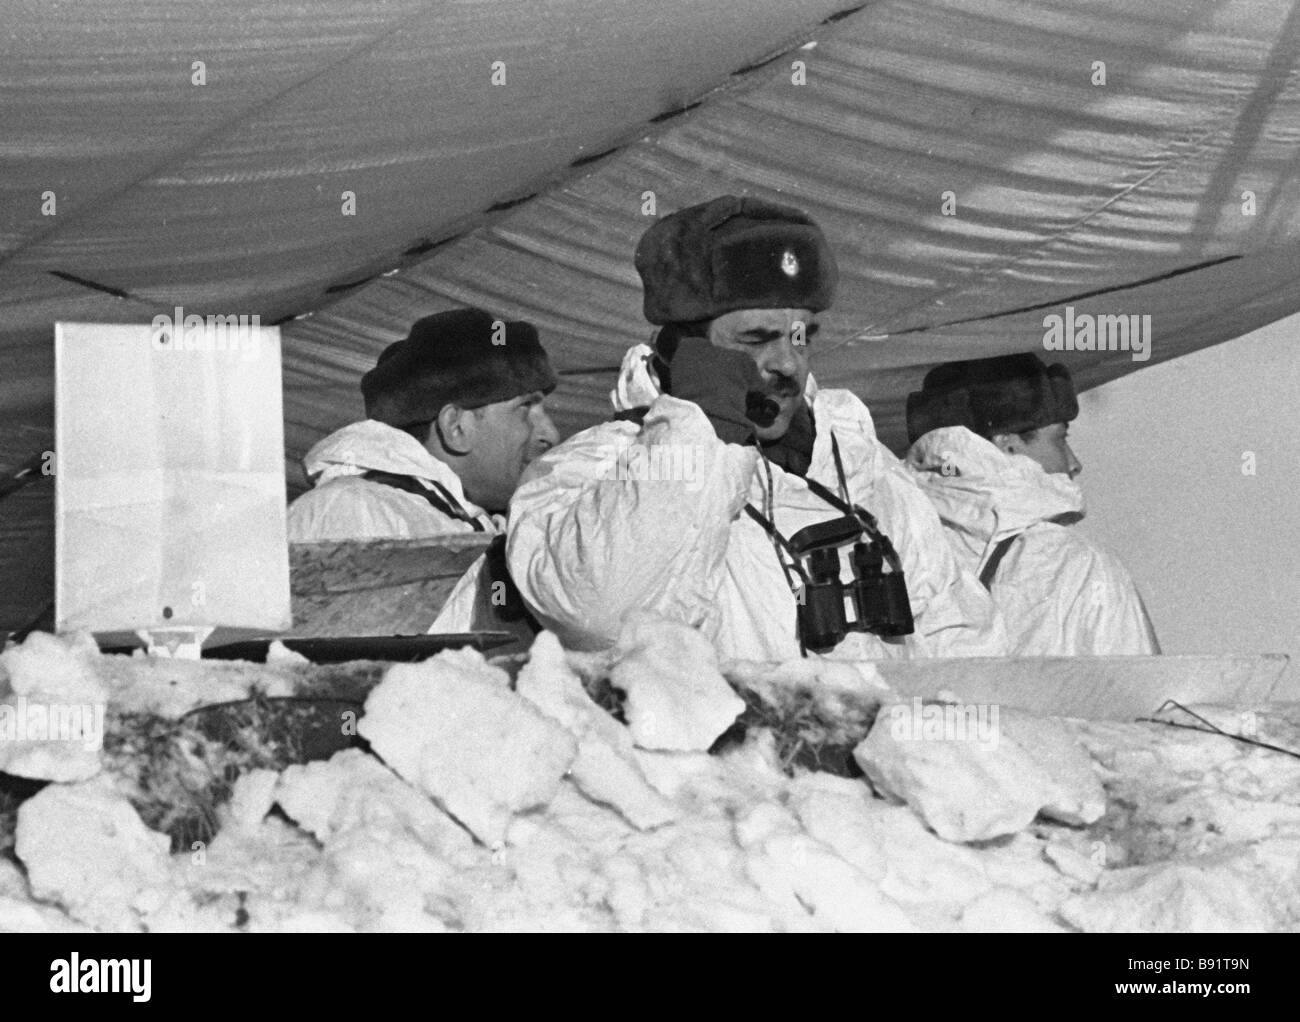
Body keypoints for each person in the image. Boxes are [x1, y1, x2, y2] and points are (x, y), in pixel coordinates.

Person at [506, 195, 1008, 660]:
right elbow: (603, 621)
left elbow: (961, 635)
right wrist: (699, 428)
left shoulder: (857, 463)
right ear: (683, 350)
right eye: (757, 339)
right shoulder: (586, 472)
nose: (789, 365)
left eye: (801, 337)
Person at [904, 352, 1159, 655]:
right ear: (1008, 446)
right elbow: (1141, 695)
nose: (1074, 463)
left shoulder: (892, 546)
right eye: (1060, 439)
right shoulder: (1078, 565)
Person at [287, 307, 559, 542]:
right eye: (526, 407)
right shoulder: (354, 514)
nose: (551, 435)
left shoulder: (466, 521)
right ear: (456, 427)